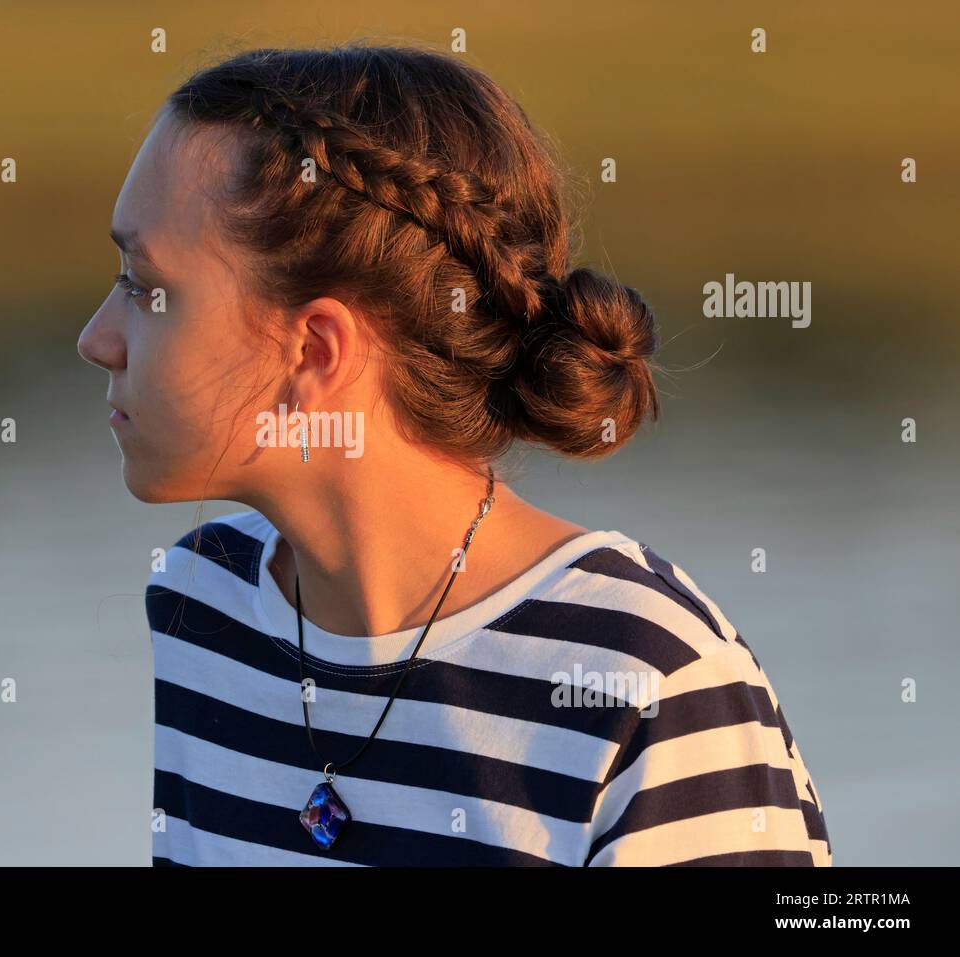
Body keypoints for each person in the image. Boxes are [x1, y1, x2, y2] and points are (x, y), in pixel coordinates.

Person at [77, 42, 832, 866]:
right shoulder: (202, 609)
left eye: (144, 285)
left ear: (317, 350)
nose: (97, 339)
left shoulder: (648, 682)